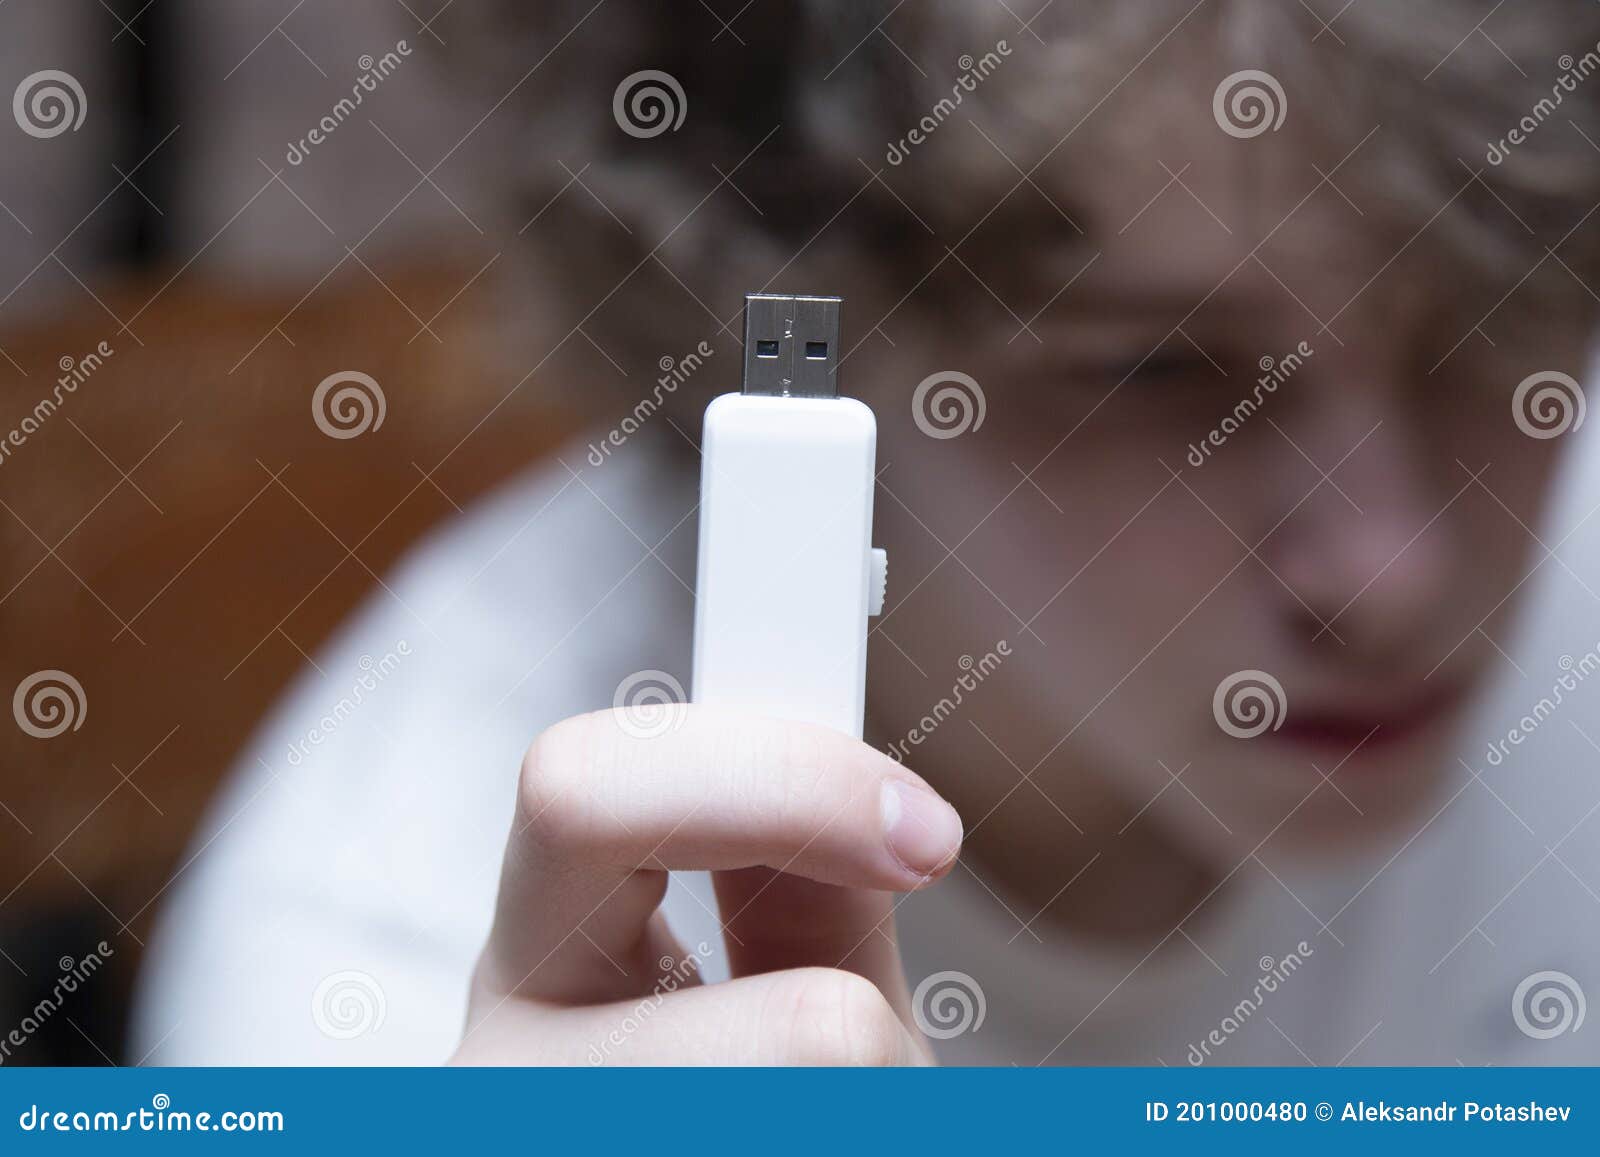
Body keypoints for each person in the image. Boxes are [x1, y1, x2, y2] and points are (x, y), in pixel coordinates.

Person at [134, 1, 1600, 1064]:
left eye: (1496, 324)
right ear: (761, 335)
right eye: (1154, 375)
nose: (1395, 568)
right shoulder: (376, 980)